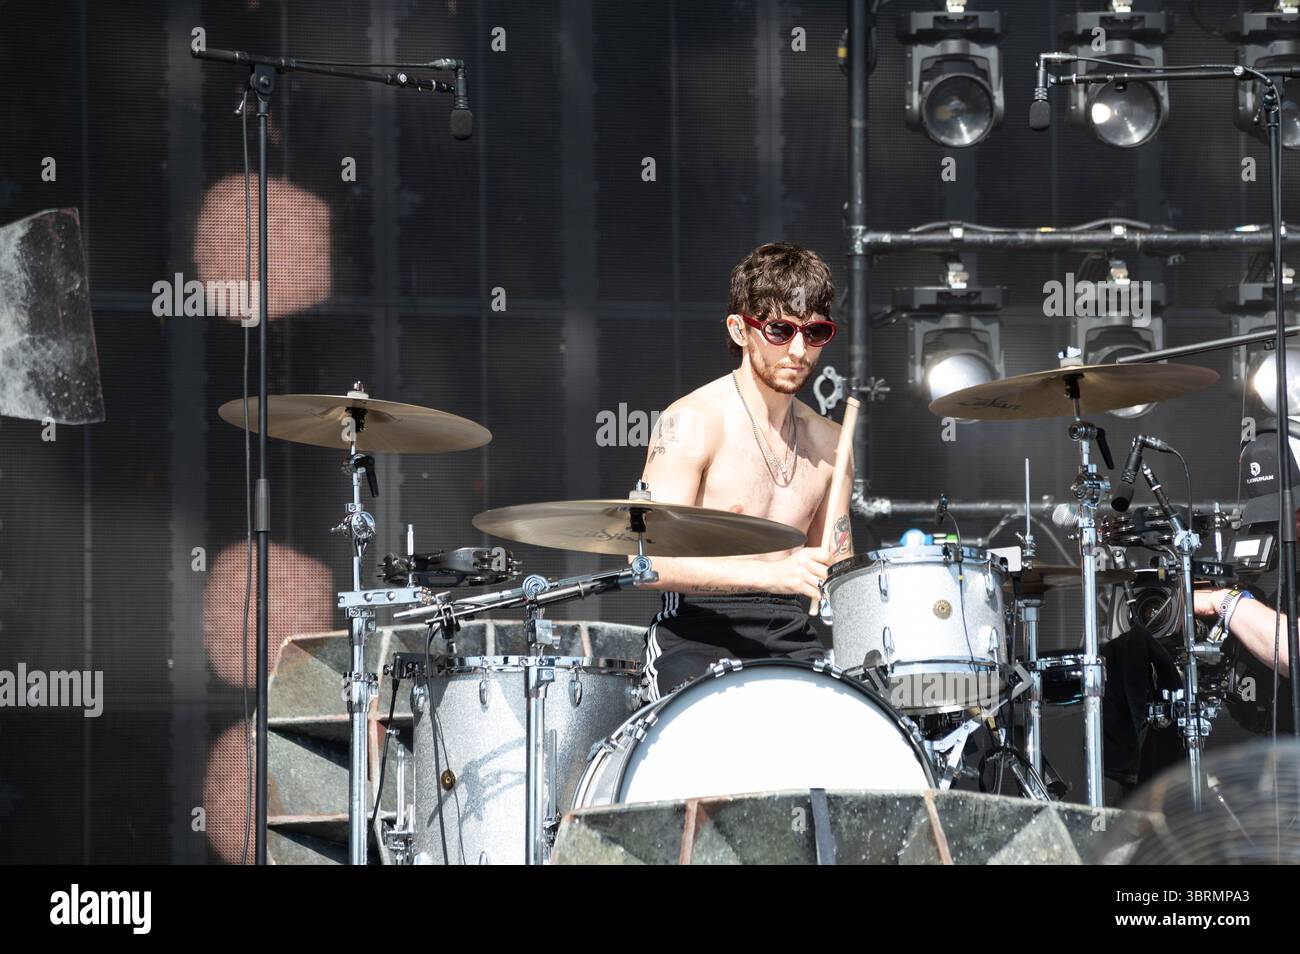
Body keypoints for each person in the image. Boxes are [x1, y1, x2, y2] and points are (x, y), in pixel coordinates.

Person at [638, 242, 853, 701]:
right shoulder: (692, 420)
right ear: (739, 329)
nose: (798, 350)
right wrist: (776, 575)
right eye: (780, 330)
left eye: (815, 332)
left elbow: (835, 572)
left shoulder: (833, 443)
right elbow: (648, 561)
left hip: (791, 638)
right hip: (696, 635)